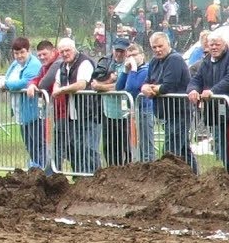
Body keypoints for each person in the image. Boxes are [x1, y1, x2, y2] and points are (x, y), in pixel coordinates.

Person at [188, 30, 229, 178]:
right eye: (211, 44)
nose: (214, 47)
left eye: (217, 44)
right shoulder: (207, 61)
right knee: (222, 150)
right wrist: (192, 90)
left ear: (225, 45)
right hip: (218, 114)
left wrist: (213, 91)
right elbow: (197, 79)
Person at [49, 37, 102, 174]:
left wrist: (61, 90)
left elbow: (81, 84)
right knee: (75, 148)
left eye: (67, 50)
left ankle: (93, 178)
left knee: (89, 149)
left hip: (90, 114)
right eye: (62, 52)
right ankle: (79, 178)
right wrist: (57, 88)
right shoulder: (63, 66)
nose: (65, 54)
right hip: (73, 115)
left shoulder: (84, 63)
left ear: (74, 49)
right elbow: (57, 81)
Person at [142, 32, 193, 168]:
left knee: (170, 151)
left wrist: (153, 89)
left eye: (160, 46)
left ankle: (168, 180)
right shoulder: (154, 61)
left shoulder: (175, 59)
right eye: (154, 47)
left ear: (168, 44)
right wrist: (144, 88)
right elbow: (147, 81)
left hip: (179, 112)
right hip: (166, 113)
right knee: (183, 150)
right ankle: (196, 179)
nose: (158, 50)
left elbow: (168, 86)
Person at [0, 36, 48, 171]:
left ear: (28, 51)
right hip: (21, 112)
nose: (19, 56)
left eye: (22, 52)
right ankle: (35, 169)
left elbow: (26, 82)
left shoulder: (34, 64)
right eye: (16, 53)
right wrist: (6, 82)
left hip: (33, 112)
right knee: (29, 144)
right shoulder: (15, 64)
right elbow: (8, 77)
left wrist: (6, 84)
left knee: (39, 143)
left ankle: (43, 170)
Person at [90, 38, 131, 166]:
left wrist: (102, 86)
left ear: (127, 52)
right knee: (110, 146)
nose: (118, 54)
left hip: (127, 114)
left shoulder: (130, 64)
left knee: (128, 147)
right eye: (116, 51)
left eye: (122, 51)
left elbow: (123, 87)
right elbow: (94, 83)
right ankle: (113, 173)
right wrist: (109, 82)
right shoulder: (106, 62)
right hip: (108, 112)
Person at [116, 42, 156, 163]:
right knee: (134, 143)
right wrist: (125, 71)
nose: (132, 58)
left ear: (142, 56)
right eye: (129, 56)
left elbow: (131, 89)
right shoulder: (131, 71)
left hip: (144, 110)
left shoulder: (146, 70)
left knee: (146, 143)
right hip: (133, 111)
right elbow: (118, 87)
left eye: (134, 55)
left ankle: (149, 165)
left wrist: (133, 69)